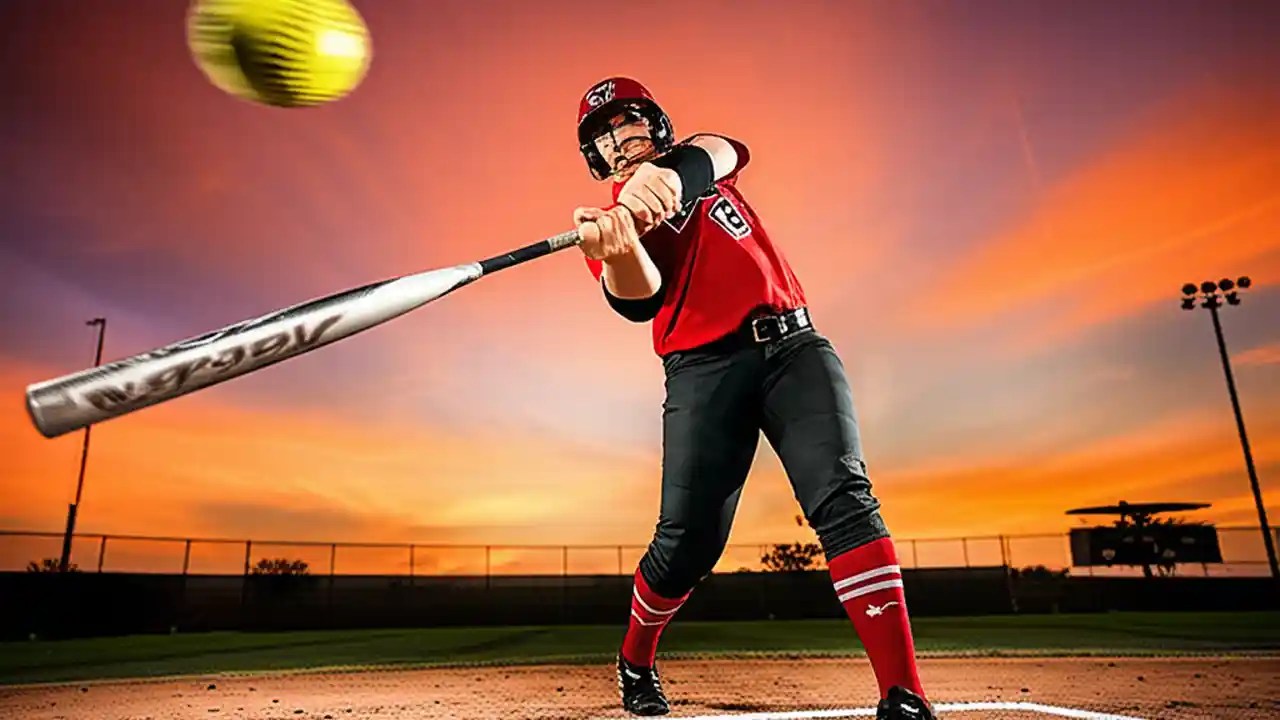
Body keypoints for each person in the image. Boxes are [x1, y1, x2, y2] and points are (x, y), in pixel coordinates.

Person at [571, 77, 937, 720]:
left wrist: (667, 181)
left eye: (627, 122)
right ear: (594, 156)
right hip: (701, 370)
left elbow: (719, 150)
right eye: (603, 135)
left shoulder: (702, 165)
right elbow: (640, 299)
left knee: (844, 498)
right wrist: (623, 245)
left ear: (654, 124)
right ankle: (636, 660)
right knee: (687, 543)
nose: (617, 140)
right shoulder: (605, 226)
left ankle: (903, 694)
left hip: (795, 347)